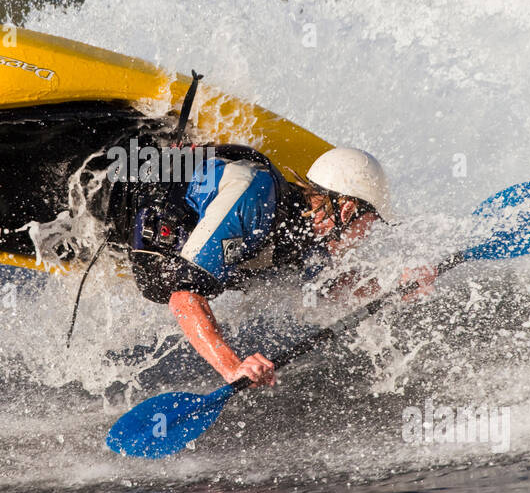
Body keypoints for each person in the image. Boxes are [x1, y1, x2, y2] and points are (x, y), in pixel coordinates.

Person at [107, 138, 435, 387]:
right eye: (370, 221)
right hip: (113, 192)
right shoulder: (255, 197)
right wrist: (233, 366)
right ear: (348, 209)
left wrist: (397, 288)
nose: (367, 234)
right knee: (164, 283)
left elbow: (331, 292)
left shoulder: (305, 239)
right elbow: (184, 297)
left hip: (136, 223)